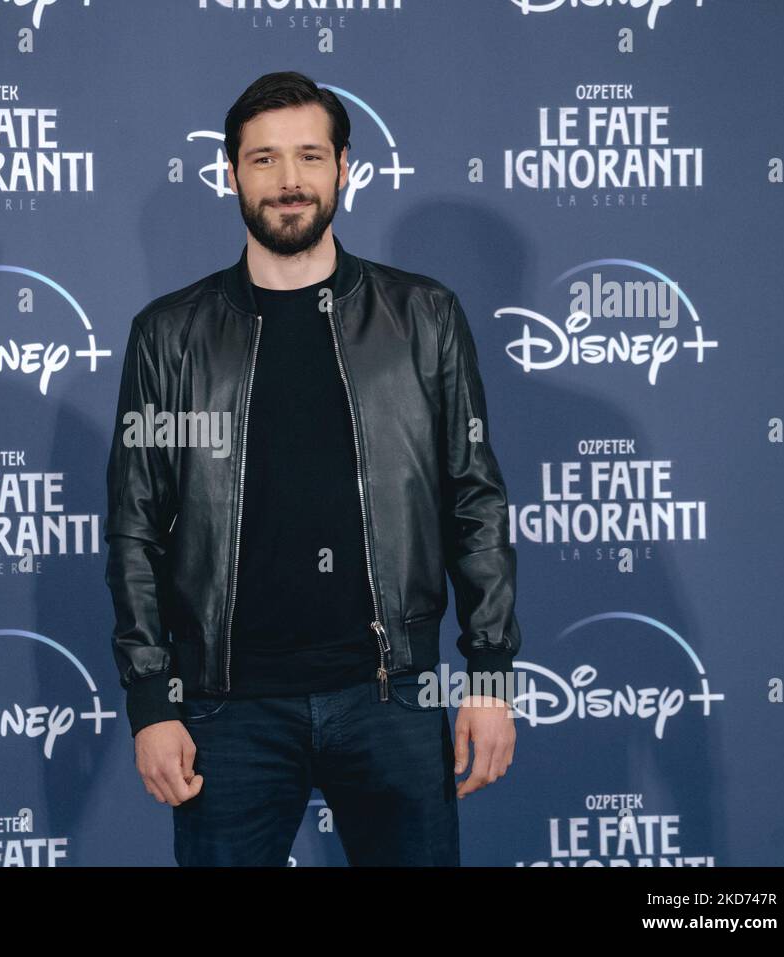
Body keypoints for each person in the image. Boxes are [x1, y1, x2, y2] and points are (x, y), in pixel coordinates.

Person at [104, 71, 522, 866]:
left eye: (309, 156)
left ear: (343, 168)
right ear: (231, 173)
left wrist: (492, 678)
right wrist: (151, 700)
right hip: (228, 709)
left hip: (391, 696)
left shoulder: (423, 317)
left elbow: (475, 503)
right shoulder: (169, 334)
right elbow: (135, 527)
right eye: (264, 159)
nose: (289, 180)